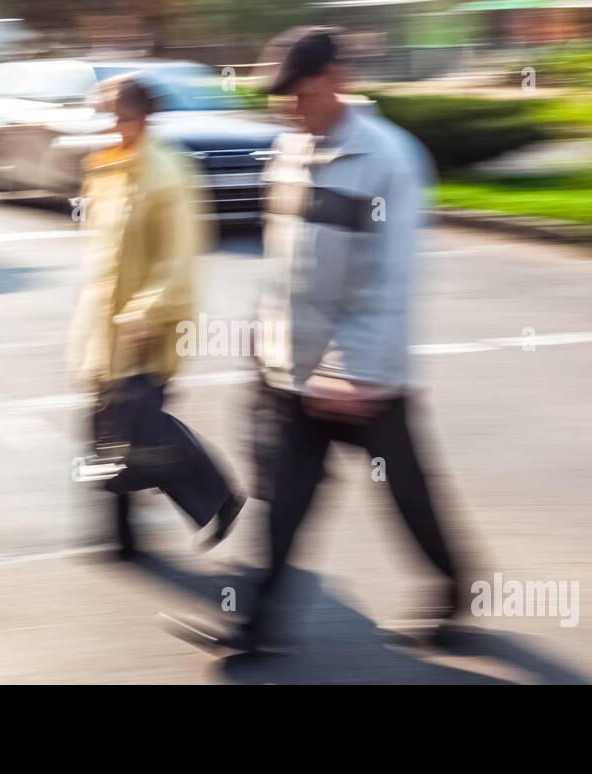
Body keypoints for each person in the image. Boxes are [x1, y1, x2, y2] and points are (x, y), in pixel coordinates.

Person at [198, 28, 465, 651]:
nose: (286, 104)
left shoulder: (389, 159)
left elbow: (392, 280)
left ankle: (456, 587)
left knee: (407, 496)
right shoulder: (291, 150)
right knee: (286, 501)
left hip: (364, 380)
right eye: (280, 94)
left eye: (298, 90)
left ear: (335, 79)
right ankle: (257, 626)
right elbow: (286, 261)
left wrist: (351, 370)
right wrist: (267, 335)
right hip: (298, 372)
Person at [70, 76, 244, 559]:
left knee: (138, 427)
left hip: (148, 325)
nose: (108, 124)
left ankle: (217, 498)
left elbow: (181, 253)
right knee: (109, 428)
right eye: (102, 114)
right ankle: (122, 539)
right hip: (106, 326)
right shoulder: (110, 168)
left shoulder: (167, 172)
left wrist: (147, 311)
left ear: (141, 118)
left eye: (117, 116)